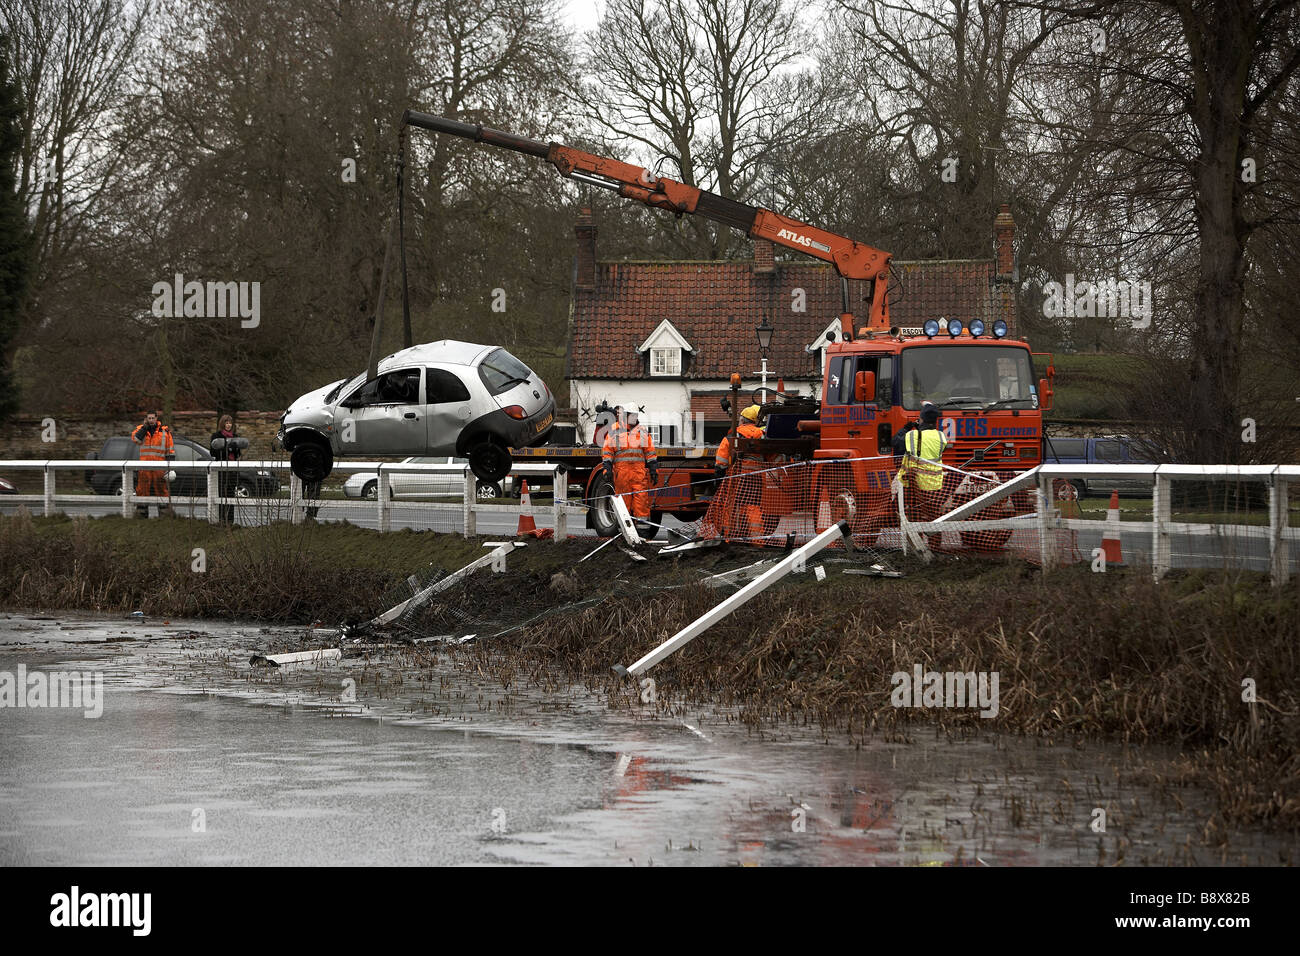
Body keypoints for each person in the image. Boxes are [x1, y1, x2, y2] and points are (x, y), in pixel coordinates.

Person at [893, 401, 949, 550]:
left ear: (922, 419)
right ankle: (934, 547)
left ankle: (915, 547)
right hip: (934, 486)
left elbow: (896, 442)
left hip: (912, 484)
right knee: (933, 517)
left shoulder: (912, 435)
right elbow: (928, 446)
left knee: (907, 514)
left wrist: (907, 427)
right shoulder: (941, 436)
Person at [712, 405, 767, 541]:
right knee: (752, 507)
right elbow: (772, 457)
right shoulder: (762, 435)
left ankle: (729, 537)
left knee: (731, 506)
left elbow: (721, 460)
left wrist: (719, 477)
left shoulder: (733, 435)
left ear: (742, 420)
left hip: (736, 478)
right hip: (757, 477)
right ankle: (757, 539)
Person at [600, 408, 657, 531]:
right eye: (632, 415)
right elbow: (608, 451)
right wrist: (607, 469)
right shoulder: (615, 429)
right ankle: (624, 533)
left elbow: (650, 452)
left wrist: (653, 469)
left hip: (638, 474)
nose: (634, 417)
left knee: (641, 503)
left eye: (636, 415)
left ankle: (642, 533)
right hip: (622, 475)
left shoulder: (642, 431)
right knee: (623, 504)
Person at [131, 411, 174, 517]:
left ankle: (164, 515)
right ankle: (141, 514)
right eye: (149, 418)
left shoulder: (164, 432)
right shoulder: (141, 430)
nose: (151, 420)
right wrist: (144, 428)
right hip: (144, 466)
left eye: (152, 418)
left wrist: (170, 467)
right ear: (146, 419)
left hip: (160, 466)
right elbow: (136, 439)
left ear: (156, 418)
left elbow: (170, 451)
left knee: (161, 489)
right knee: (142, 489)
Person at [210, 414, 242, 524]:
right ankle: (221, 519)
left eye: (230, 423)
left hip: (232, 469)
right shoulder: (216, 436)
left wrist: (234, 449)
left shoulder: (235, 436)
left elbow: (237, 453)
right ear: (222, 424)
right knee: (221, 494)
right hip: (221, 469)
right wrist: (227, 448)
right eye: (226, 423)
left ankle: (230, 520)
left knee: (231, 494)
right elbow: (213, 452)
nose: (228, 425)